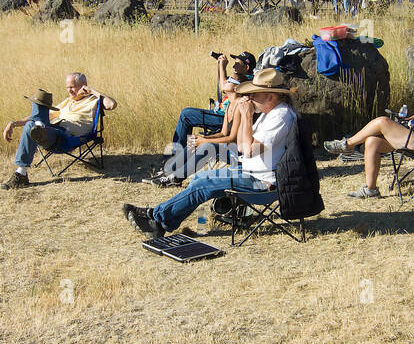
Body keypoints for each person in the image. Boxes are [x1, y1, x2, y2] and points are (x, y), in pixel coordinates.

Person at [124, 68, 297, 236]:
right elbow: (244, 147)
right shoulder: (270, 113)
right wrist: (246, 117)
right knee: (200, 178)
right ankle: (161, 222)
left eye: (254, 94)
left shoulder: (280, 117)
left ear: (271, 96)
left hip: (262, 182)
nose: (250, 98)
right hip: (251, 173)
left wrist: (247, 116)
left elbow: (249, 150)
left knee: (202, 185)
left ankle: (156, 218)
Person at [325, 64, 414, 199]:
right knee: (372, 141)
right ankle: (370, 189)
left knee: (382, 121)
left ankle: (347, 145)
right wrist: (408, 118)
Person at [151, 52, 256, 186]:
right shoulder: (230, 104)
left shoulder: (241, 103)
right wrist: (201, 140)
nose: (226, 81)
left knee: (203, 141)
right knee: (195, 143)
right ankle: (168, 171)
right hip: (228, 140)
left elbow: (232, 139)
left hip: (237, 151)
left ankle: (175, 178)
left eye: (229, 81)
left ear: (236, 88)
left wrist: (205, 140)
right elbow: (224, 133)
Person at [2, 72, 117, 189]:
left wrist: (92, 90)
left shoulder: (93, 100)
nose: (69, 91)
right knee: (37, 107)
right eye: (67, 87)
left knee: (33, 126)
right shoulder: (67, 102)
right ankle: (37, 135)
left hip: (67, 137)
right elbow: (41, 115)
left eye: (72, 87)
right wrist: (13, 123)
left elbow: (112, 104)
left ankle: (37, 134)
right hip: (53, 130)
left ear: (84, 85)